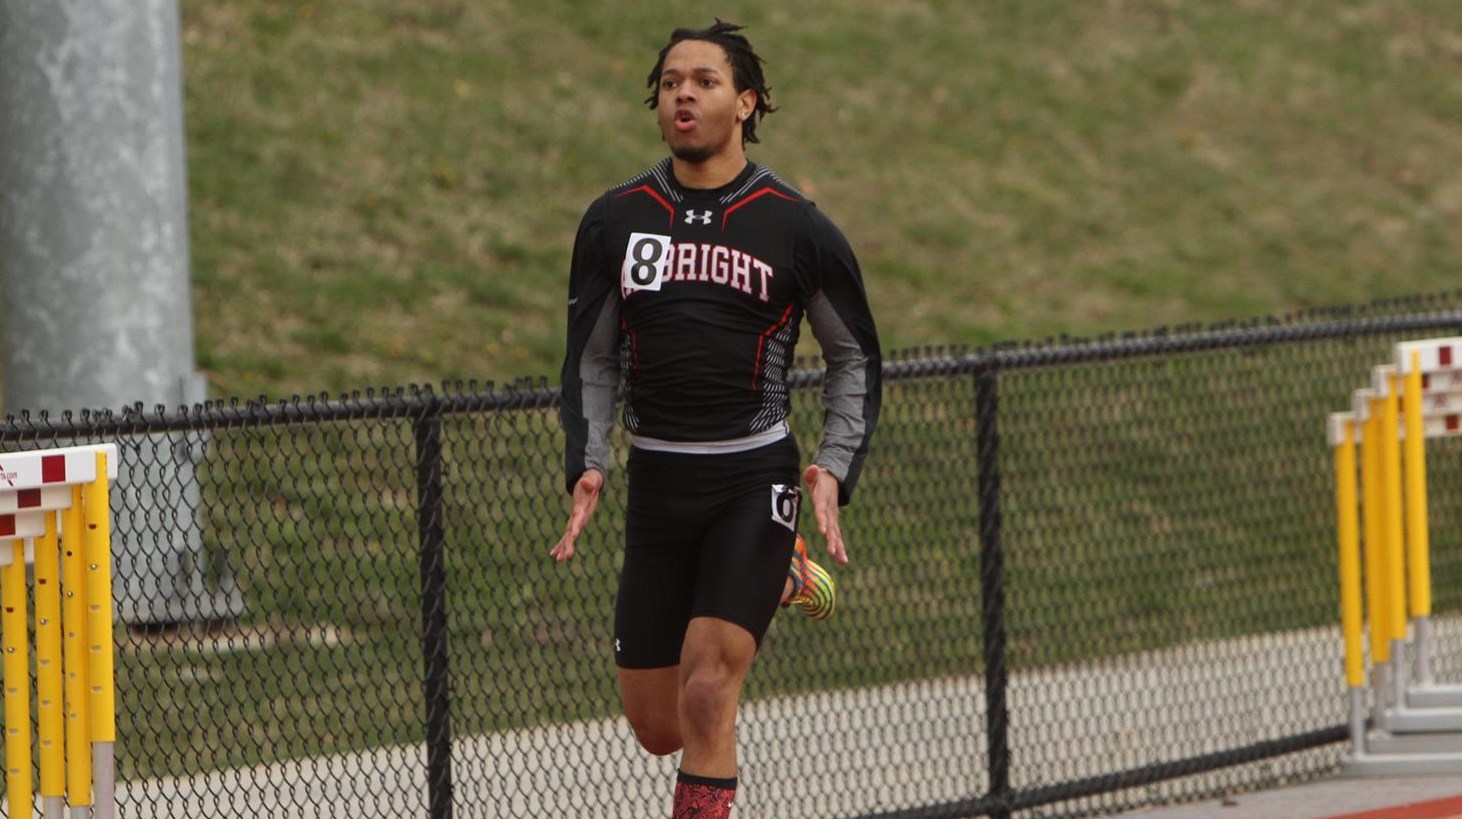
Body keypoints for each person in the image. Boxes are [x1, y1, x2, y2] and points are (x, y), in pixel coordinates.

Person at [552, 20, 881, 819]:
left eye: (704, 81)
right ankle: (786, 571)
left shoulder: (794, 224)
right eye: (671, 83)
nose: (684, 95)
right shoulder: (615, 220)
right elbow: (591, 357)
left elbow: (854, 357)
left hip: (752, 478)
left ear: (746, 102)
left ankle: (771, 552)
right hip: (659, 483)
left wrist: (835, 463)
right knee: (657, 724)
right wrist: (589, 459)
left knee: (708, 693)